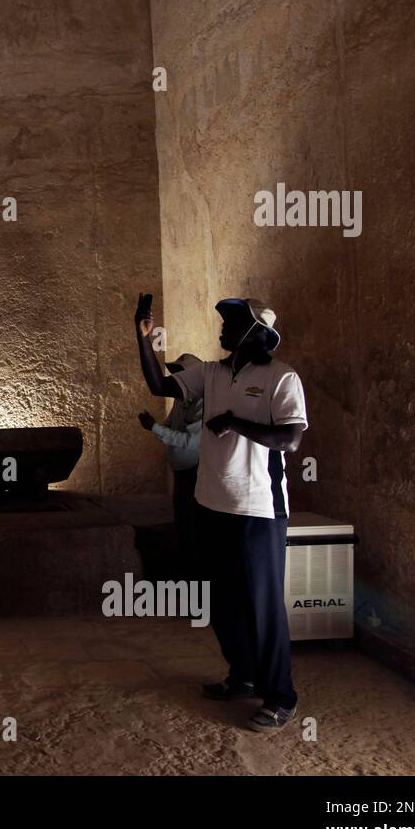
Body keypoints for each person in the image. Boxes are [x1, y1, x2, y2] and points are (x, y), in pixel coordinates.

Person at [134, 293, 308, 733]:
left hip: (258, 510)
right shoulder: (210, 374)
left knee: (263, 605)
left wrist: (234, 422)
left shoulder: (282, 378)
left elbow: (289, 439)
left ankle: (279, 697)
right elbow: (160, 386)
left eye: (232, 325)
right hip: (211, 504)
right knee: (220, 598)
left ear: (254, 334)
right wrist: (144, 338)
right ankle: (243, 676)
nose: (222, 331)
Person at [137, 352, 204, 577]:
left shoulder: (202, 403)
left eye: (180, 374)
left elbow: (191, 442)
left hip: (195, 473)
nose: (176, 379)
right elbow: (171, 429)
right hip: (182, 472)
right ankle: (187, 577)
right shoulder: (181, 401)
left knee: (194, 529)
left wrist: (155, 428)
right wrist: (156, 428)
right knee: (184, 526)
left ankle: (196, 582)